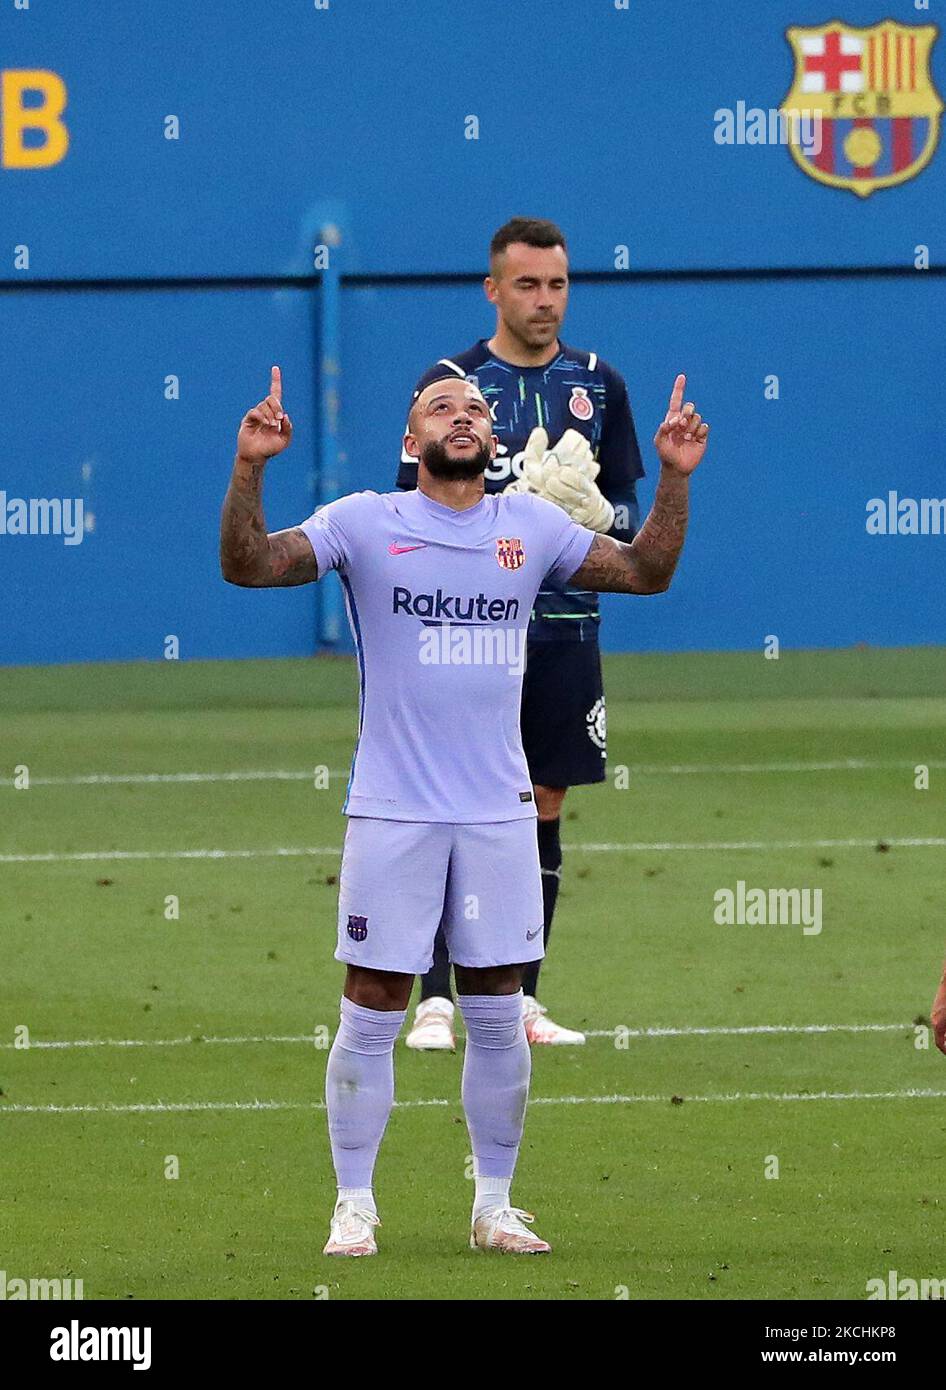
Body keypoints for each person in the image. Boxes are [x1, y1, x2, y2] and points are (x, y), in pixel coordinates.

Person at [219, 364, 709, 1257]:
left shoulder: (530, 525)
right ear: (412, 443)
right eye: (441, 409)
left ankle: (494, 1207)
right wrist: (251, 465)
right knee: (373, 1002)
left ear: (493, 442)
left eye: (476, 409)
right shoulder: (365, 523)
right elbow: (249, 564)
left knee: (496, 1000)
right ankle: (354, 1205)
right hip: (394, 808)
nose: (463, 417)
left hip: (497, 811)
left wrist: (674, 477)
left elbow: (647, 571)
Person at [397, 217, 645, 1049]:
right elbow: (411, 506)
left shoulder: (600, 383)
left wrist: (600, 511)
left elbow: (632, 523)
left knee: (541, 803)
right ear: (493, 288)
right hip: (470, 626)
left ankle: (521, 998)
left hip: (566, 628)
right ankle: (433, 996)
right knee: (448, 801)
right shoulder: (453, 384)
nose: (546, 301)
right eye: (529, 285)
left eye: (559, 284)